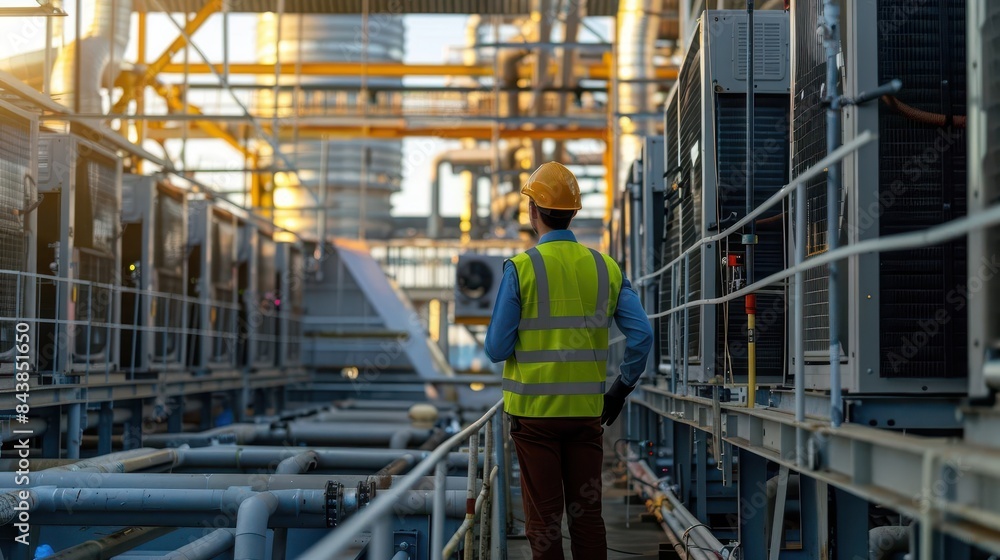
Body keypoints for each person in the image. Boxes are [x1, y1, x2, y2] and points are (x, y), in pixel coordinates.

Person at [484, 161, 653, 560]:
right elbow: (642, 335)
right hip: (586, 414)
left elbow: (495, 349)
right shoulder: (605, 267)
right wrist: (620, 389)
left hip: (534, 417)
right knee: (587, 516)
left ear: (533, 212)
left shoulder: (522, 268)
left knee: (544, 521)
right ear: (573, 213)